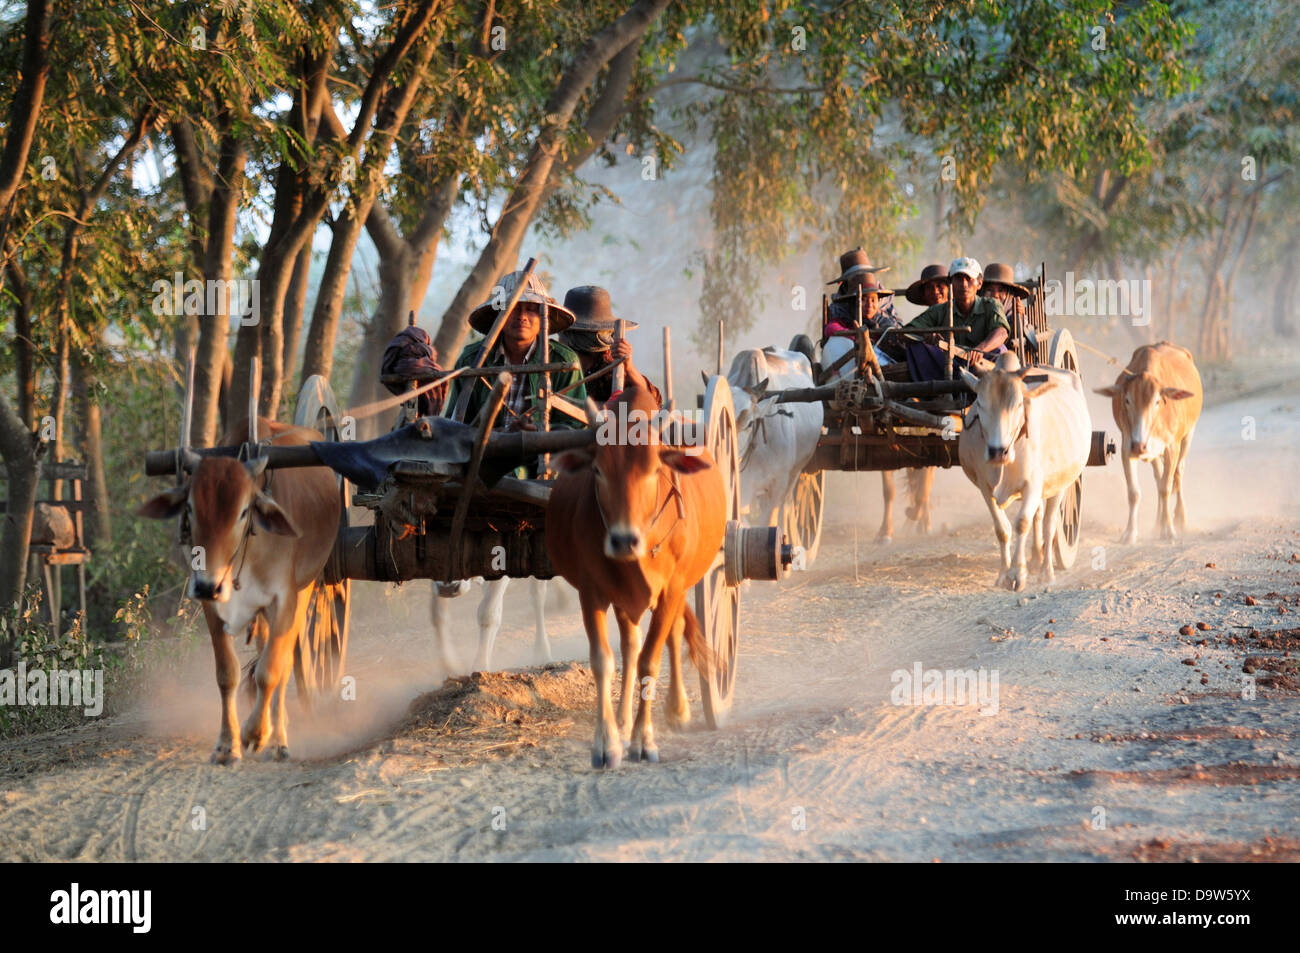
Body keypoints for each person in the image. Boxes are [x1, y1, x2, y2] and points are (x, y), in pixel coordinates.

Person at [444, 269, 588, 437]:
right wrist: (493, 434)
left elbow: (576, 425)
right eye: (513, 308)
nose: (522, 317)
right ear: (498, 314)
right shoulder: (473, 359)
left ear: (543, 318)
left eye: (531, 309)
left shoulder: (562, 361)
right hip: (484, 456)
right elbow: (456, 423)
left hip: (540, 456)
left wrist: (536, 431)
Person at [902, 256, 1010, 381]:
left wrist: (980, 349)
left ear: (979, 283)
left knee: (1001, 350)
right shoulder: (939, 310)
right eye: (958, 279)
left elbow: (1002, 332)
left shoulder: (991, 305)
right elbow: (906, 332)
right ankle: (945, 386)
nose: (964, 284)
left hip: (981, 362)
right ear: (951, 283)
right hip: (947, 364)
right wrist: (926, 335)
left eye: (969, 279)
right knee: (917, 347)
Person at [557, 285, 662, 407]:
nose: (561, 338)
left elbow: (652, 401)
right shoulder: (557, 367)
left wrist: (629, 367)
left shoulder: (612, 372)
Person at [824, 248, 901, 363]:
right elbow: (831, 327)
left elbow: (896, 327)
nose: (869, 304)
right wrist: (857, 337)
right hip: (853, 349)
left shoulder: (883, 306)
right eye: (863, 299)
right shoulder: (840, 309)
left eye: (873, 299)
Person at [980, 262, 1029, 329]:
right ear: (982, 292)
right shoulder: (975, 313)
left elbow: (1023, 330)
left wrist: (1020, 317)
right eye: (989, 290)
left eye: (1000, 291)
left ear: (1009, 295)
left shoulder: (1014, 315)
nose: (995, 295)